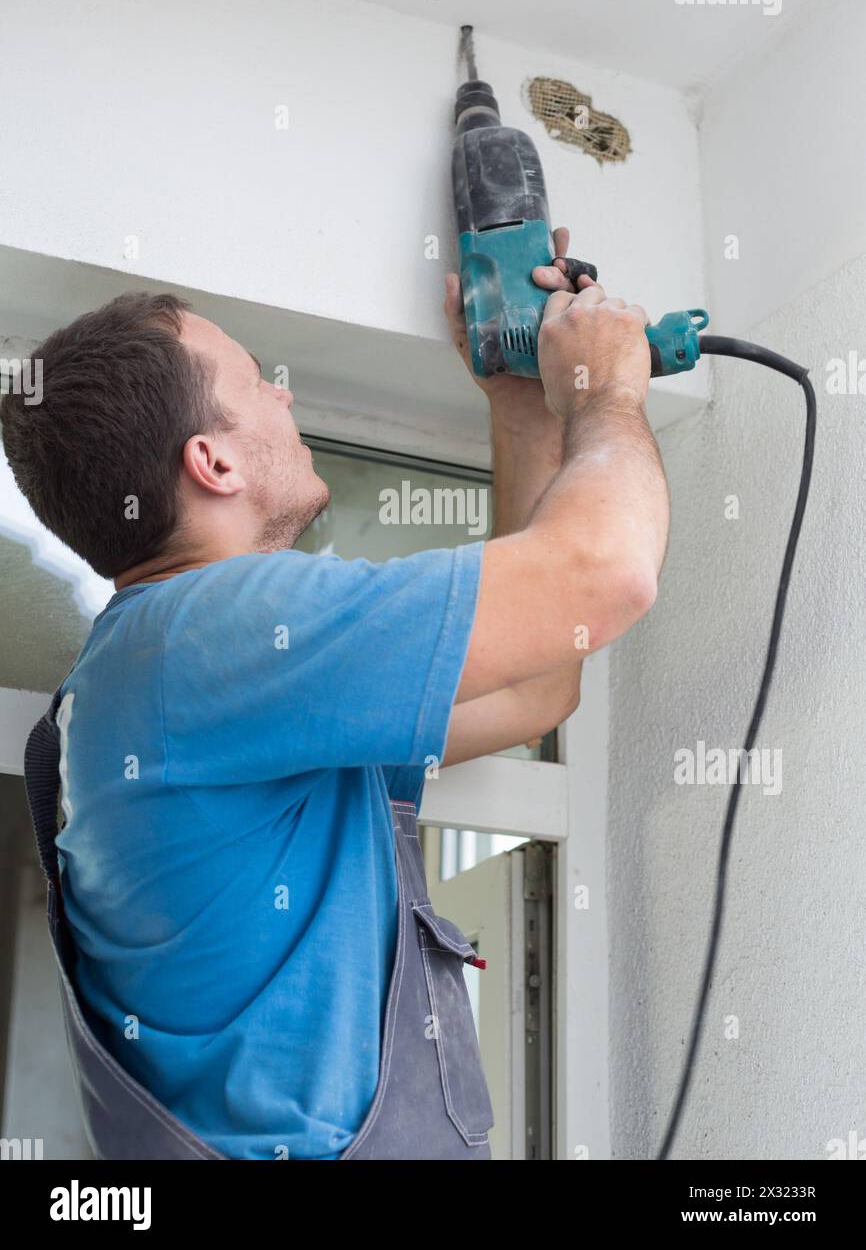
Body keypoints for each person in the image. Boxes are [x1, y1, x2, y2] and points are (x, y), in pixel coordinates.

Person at [1, 227, 666, 1159]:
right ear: (213, 463)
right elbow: (609, 572)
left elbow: (540, 685)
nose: (284, 390)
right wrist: (607, 387)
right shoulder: (211, 632)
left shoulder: (195, 679)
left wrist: (523, 404)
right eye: (255, 382)